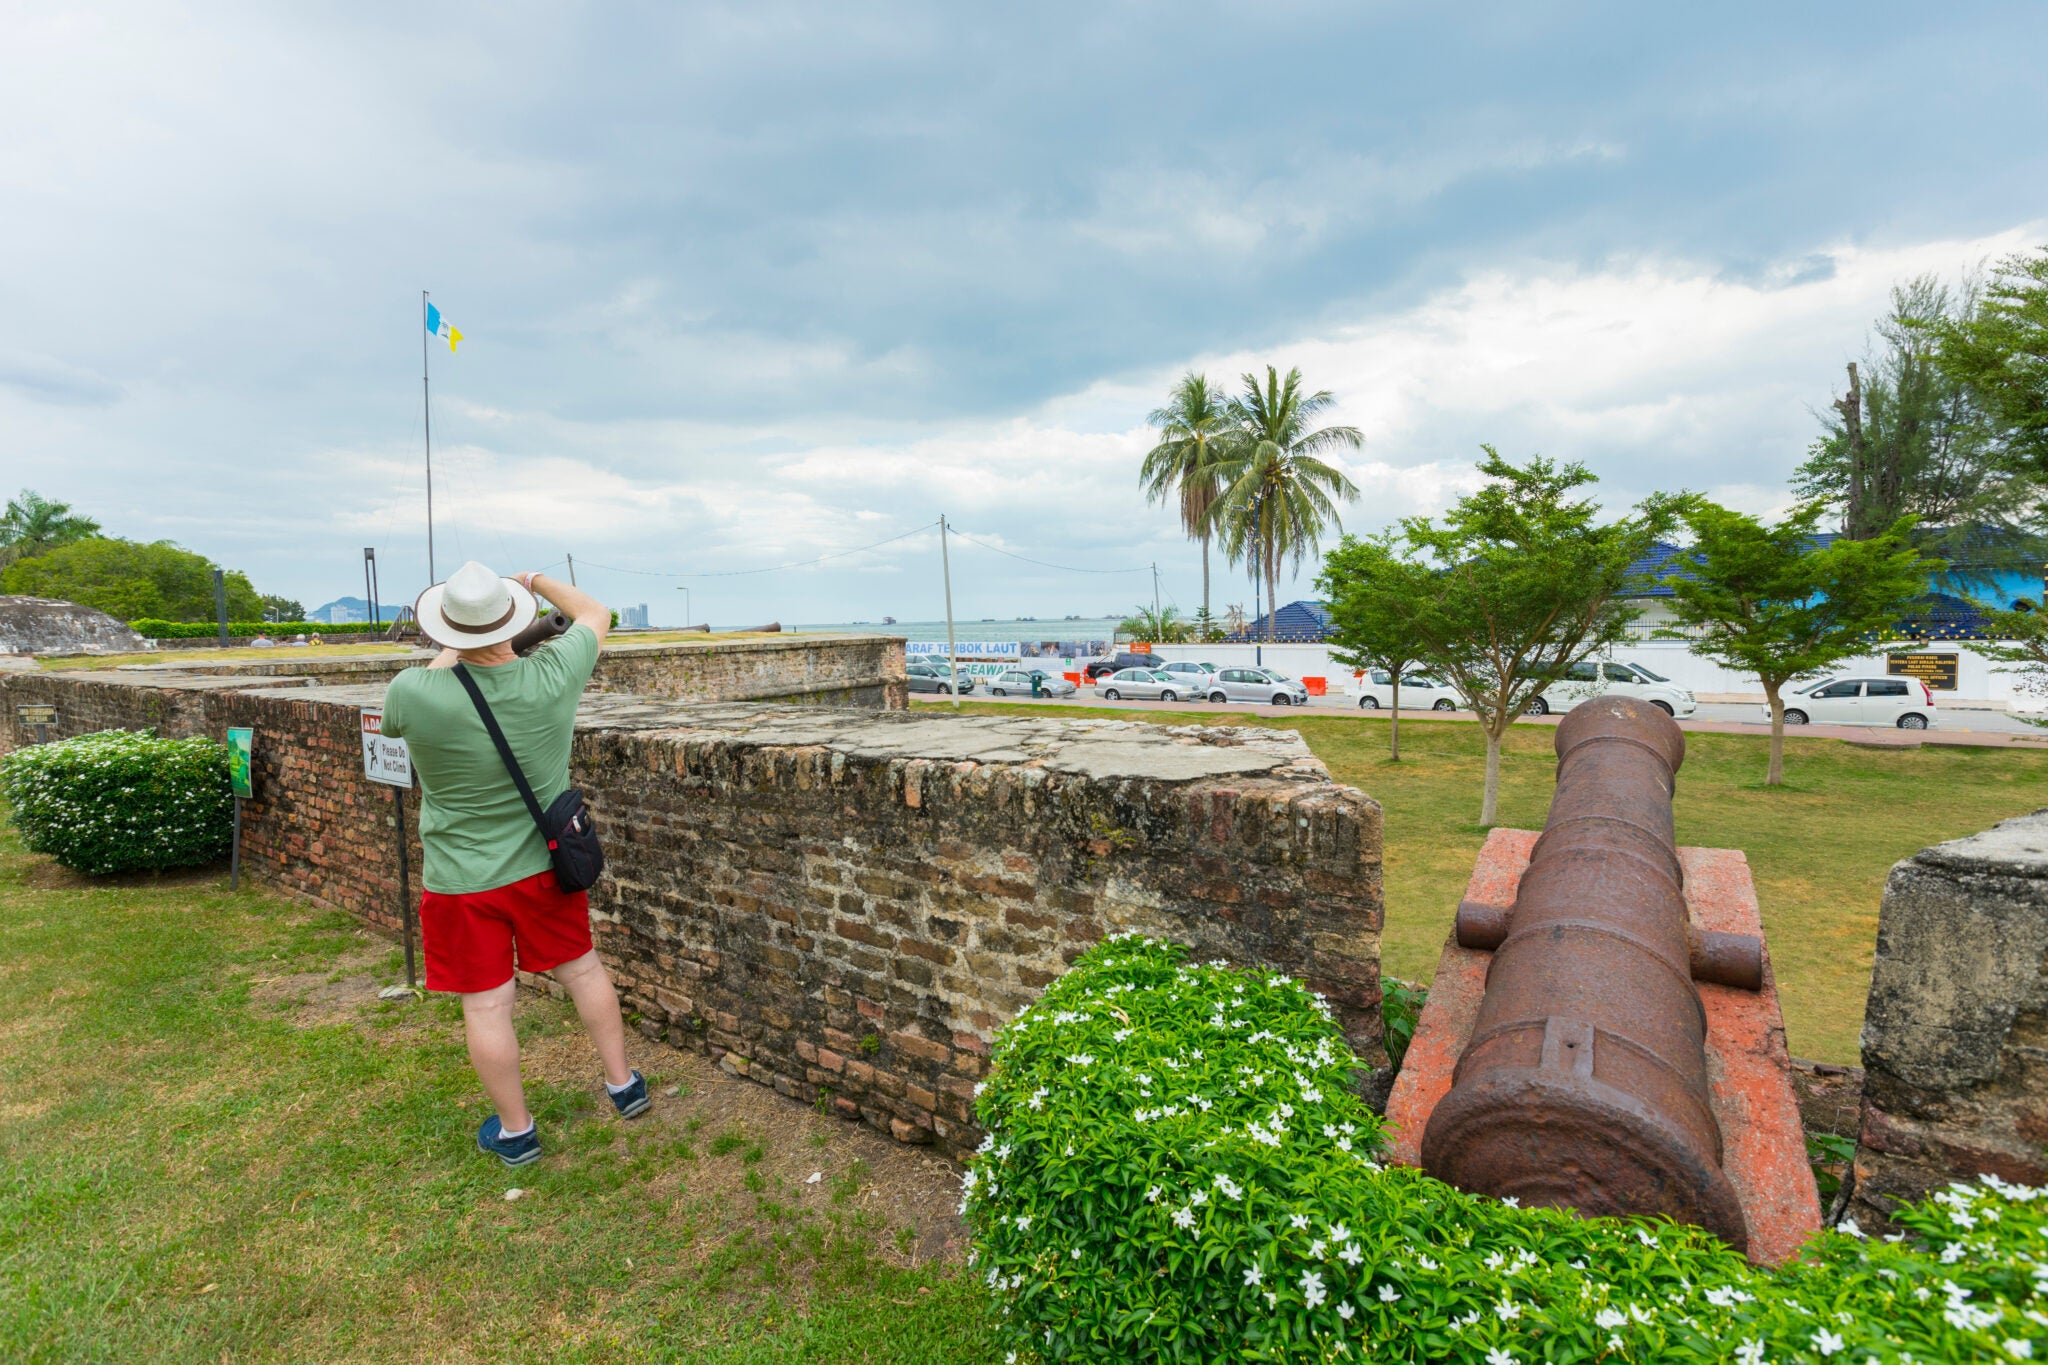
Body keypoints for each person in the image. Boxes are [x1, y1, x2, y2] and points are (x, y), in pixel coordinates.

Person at [381, 561, 648, 1167]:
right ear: (512, 619)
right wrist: (533, 581)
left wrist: (454, 650)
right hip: (542, 864)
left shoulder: (413, 690)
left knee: (486, 1006)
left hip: (459, 880)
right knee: (583, 971)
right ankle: (622, 1083)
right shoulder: (553, 673)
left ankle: (517, 1130)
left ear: (447, 629)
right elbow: (595, 615)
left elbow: (402, 716)